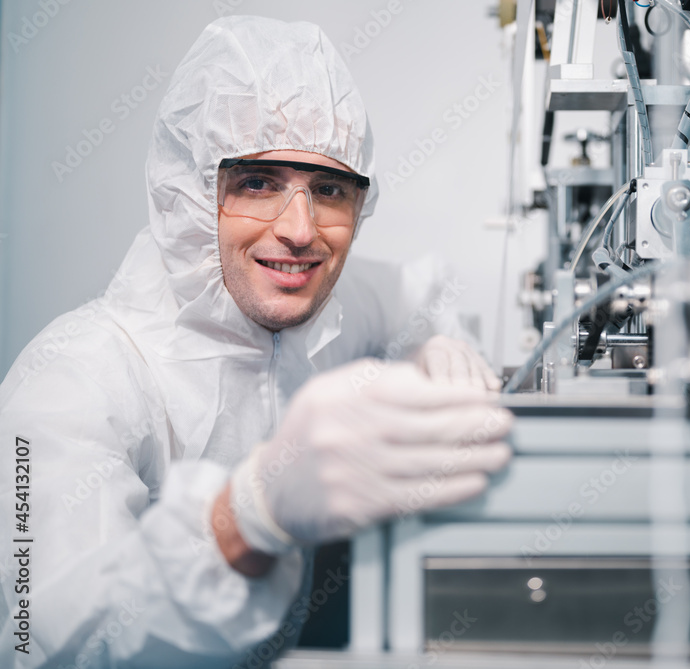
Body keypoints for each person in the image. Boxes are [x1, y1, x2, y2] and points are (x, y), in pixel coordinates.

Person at [0, 15, 512, 668]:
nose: (300, 229)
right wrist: (244, 515)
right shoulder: (72, 382)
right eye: (258, 183)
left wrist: (434, 345)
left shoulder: (327, 312)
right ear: (188, 192)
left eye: (329, 190)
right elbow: (61, 640)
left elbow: (421, 296)